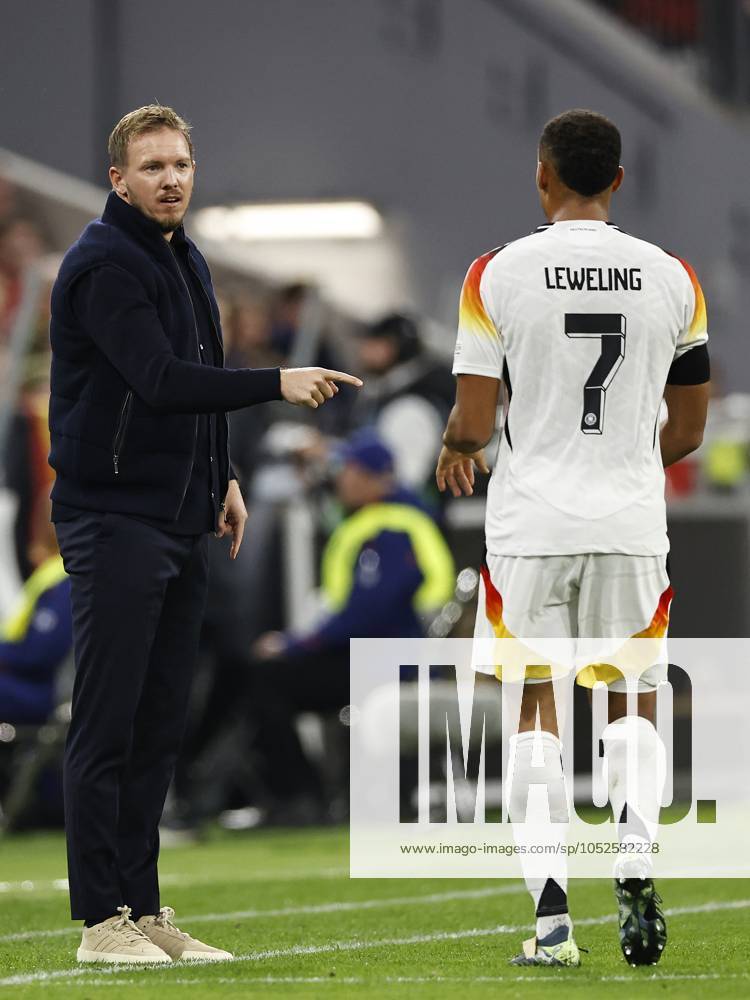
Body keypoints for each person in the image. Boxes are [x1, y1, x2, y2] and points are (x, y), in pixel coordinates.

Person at [48, 104, 362, 966]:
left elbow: (199, 374)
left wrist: (218, 474)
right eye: (152, 167)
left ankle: (142, 908)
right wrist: (277, 382)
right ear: (119, 180)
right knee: (107, 719)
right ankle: (99, 922)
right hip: (113, 516)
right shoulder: (104, 263)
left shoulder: (180, 254)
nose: (171, 179)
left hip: (177, 513)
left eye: (181, 164)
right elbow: (157, 379)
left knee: (159, 721)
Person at [436, 109, 709, 968]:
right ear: (618, 181)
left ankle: (552, 923)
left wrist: (456, 447)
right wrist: (626, 459)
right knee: (632, 697)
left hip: (532, 523)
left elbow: (476, 420)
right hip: (630, 520)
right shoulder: (673, 277)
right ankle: (632, 856)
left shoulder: (496, 274)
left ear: (543, 177)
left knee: (534, 706)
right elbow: (692, 424)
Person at [251, 429, 455, 823]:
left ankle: (301, 797)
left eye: (351, 470)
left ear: (376, 477)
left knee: (267, 679)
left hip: (388, 657)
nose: (341, 478)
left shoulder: (392, 527)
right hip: (378, 655)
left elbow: (370, 612)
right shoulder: (378, 520)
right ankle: (311, 796)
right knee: (267, 678)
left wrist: (296, 645)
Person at [353, 313, 456, 499]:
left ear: (390, 348)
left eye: (371, 342)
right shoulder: (388, 394)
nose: (362, 350)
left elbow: (404, 482)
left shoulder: (411, 407)